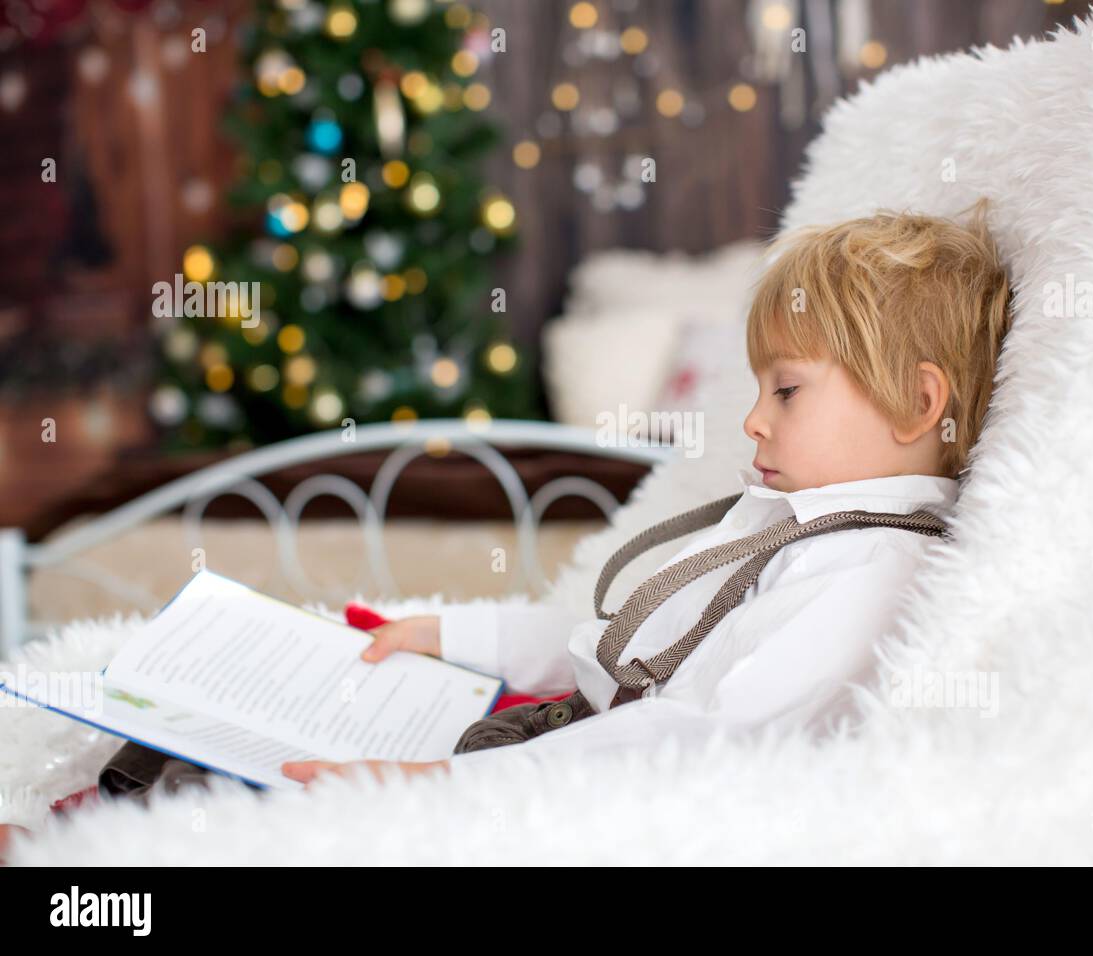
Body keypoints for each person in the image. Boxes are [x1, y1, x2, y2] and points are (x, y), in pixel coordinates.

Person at [283, 198, 1013, 788]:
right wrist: (452, 637)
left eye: (787, 391)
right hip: (556, 743)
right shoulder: (786, 525)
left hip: (588, 787)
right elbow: (625, 654)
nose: (753, 420)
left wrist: (432, 787)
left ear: (919, 403)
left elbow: (696, 738)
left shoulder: (873, 572)